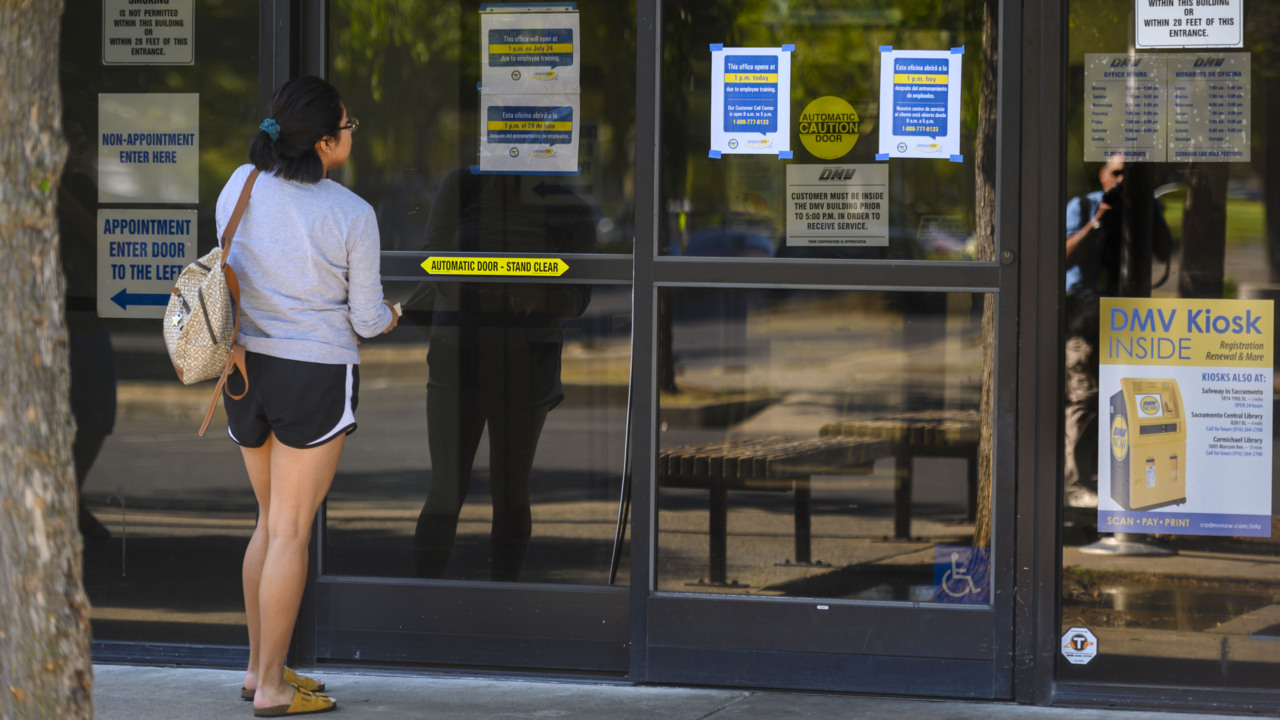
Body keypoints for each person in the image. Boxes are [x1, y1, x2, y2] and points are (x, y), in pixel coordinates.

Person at [221, 76, 397, 717]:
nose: (351, 135)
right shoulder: (351, 213)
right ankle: (272, 688)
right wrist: (394, 316)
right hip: (314, 374)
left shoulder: (237, 186)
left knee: (268, 523)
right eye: (348, 127)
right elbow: (368, 317)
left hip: (245, 371)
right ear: (324, 142)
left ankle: (257, 669)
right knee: (292, 531)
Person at [412, 168, 594, 581]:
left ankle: (504, 599)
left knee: (512, 492)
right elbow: (430, 258)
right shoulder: (461, 185)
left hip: (526, 358)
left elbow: (579, 293)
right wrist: (470, 294)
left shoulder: (567, 205)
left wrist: (539, 296)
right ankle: (422, 606)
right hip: (458, 351)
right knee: (445, 489)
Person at [1062, 155, 1170, 509]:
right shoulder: (1083, 205)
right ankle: (1075, 484)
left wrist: (1146, 212)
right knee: (1086, 397)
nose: (1124, 182)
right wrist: (1100, 219)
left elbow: (1165, 251)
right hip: (1086, 317)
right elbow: (1063, 257)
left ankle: (1116, 482)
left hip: (1129, 319)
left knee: (1128, 398)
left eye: (1132, 175)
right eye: (1118, 174)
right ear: (1103, 175)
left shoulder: (1145, 207)